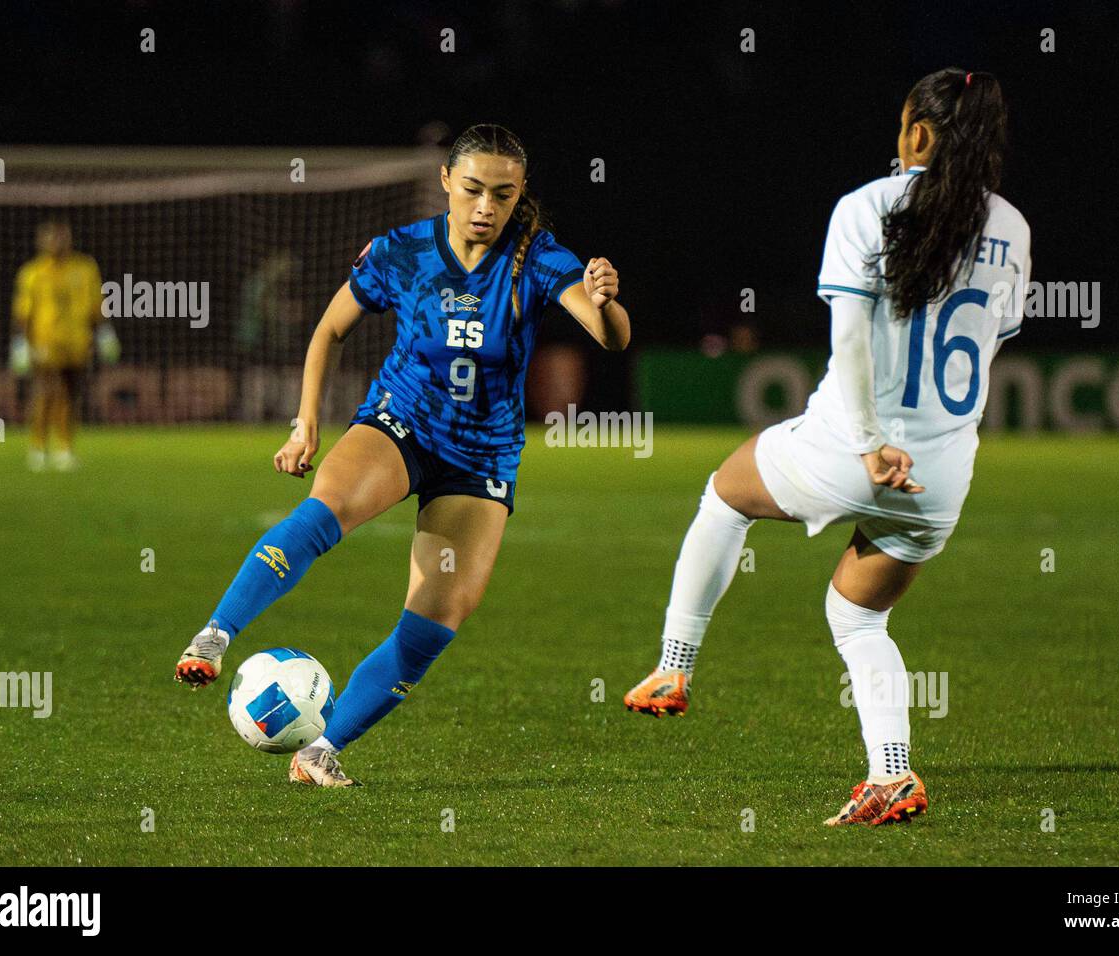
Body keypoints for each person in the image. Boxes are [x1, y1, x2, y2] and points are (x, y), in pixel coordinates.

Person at [624, 69, 1029, 827]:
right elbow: (989, 343)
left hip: (852, 448)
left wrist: (874, 444)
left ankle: (672, 670)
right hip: (942, 475)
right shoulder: (1012, 225)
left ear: (916, 134)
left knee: (723, 493)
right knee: (859, 617)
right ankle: (892, 775)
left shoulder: (866, 207)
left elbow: (849, 338)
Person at [175, 124, 631, 787]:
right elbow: (330, 329)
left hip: (481, 458)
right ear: (446, 181)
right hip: (401, 423)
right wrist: (305, 426)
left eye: (502, 195)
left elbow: (608, 336)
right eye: (472, 190)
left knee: (436, 622)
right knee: (326, 509)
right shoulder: (402, 252)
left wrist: (607, 303)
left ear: (519, 195)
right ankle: (216, 635)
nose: (485, 208)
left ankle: (319, 752)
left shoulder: (539, 260)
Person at [10, 220, 119, 471]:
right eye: (52, 238)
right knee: (45, 393)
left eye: (62, 237)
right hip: (45, 341)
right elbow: (22, 312)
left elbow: (96, 304)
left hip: (77, 342)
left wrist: (105, 333)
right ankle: (37, 448)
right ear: (41, 242)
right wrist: (19, 344)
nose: (57, 242)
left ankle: (64, 450)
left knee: (70, 395)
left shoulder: (85, 268)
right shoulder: (32, 272)